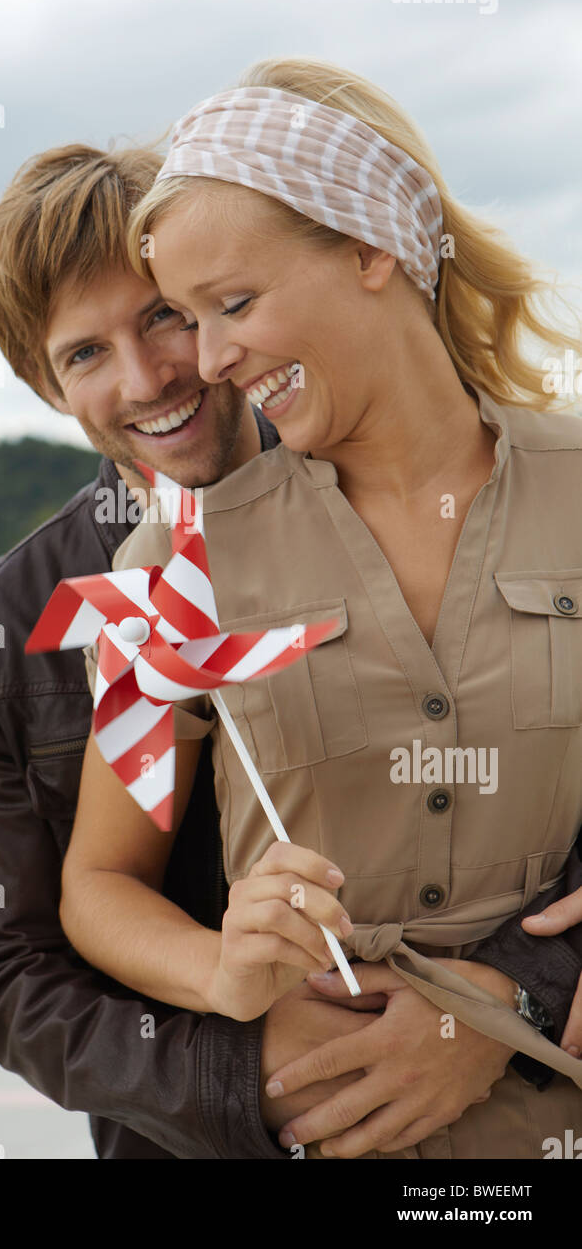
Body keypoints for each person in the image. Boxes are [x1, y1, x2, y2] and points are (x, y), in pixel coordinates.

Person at [59, 59, 582, 1159]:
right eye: (189, 320)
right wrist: (220, 965)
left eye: (231, 304)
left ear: (368, 246)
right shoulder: (180, 560)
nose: (205, 361)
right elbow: (98, 884)